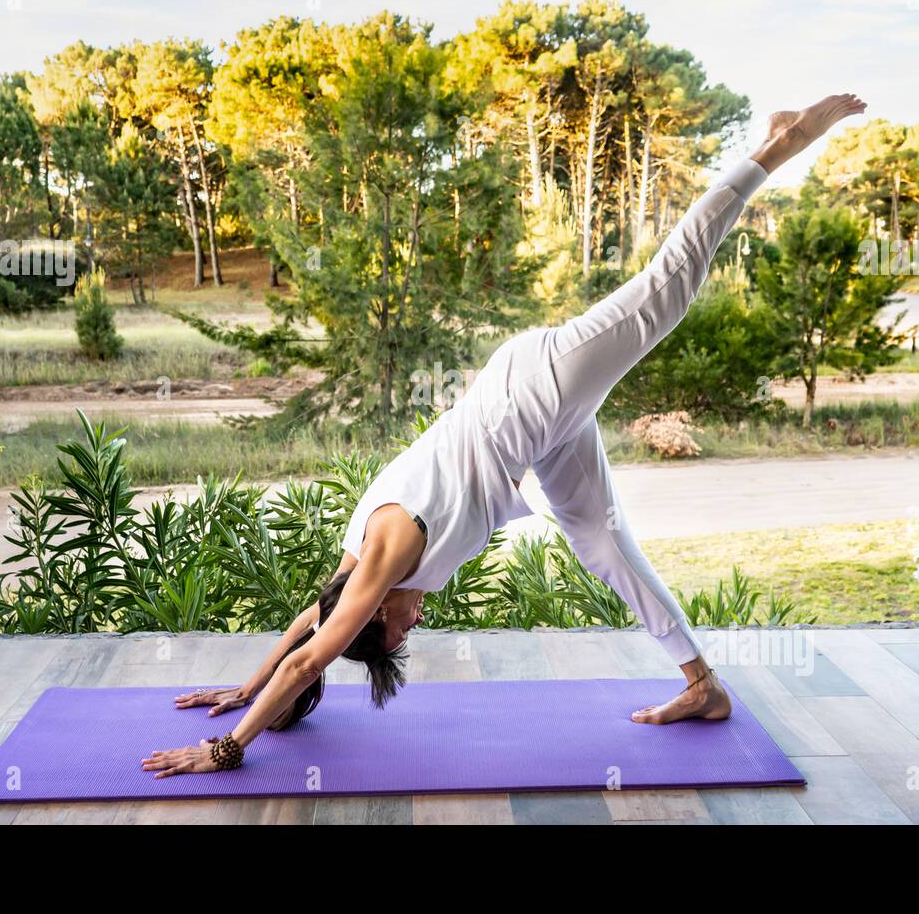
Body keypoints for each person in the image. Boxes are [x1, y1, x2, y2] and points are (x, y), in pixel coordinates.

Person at [142, 93, 867, 778]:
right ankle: (703, 686)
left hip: (531, 391)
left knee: (664, 295)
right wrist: (245, 687)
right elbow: (312, 623)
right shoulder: (354, 576)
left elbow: (311, 660)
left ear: (373, 619)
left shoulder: (385, 556)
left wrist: (225, 749)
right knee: (604, 545)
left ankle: (775, 145)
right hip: (539, 436)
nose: (411, 625)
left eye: (398, 633)